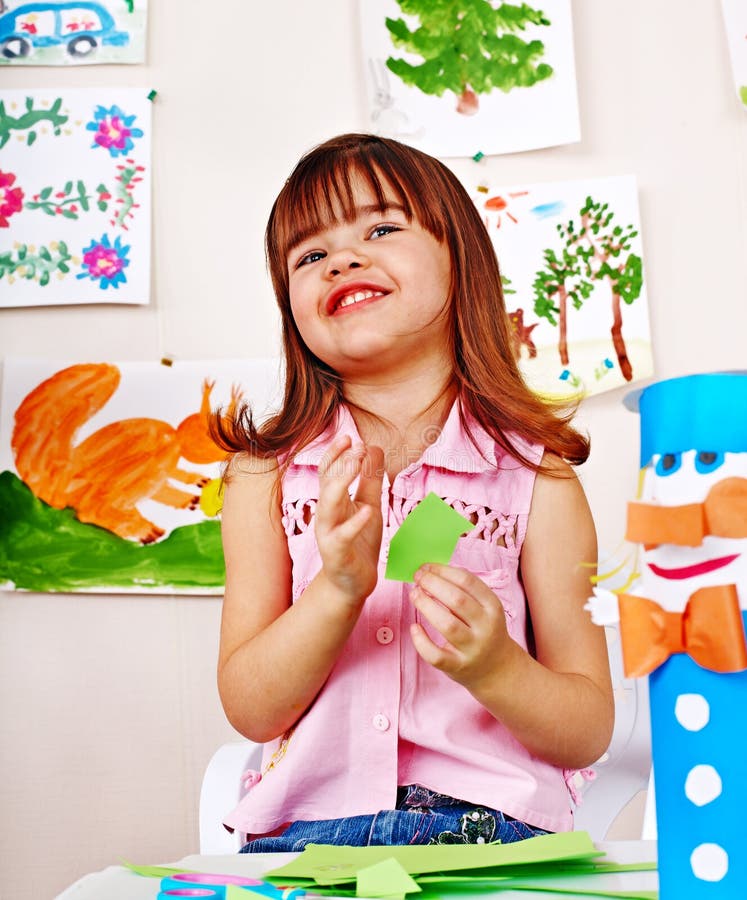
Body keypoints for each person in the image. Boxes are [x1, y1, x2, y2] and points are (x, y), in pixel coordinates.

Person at [213, 133, 614, 852]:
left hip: (494, 839)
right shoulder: (262, 477)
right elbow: (251, 709)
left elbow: (585, 728)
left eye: (379, 228)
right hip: (306, 843)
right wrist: (337, 588)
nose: (341, 258)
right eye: (309, 256)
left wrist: (497, 668)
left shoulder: (538, 477)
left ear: (460, 260)